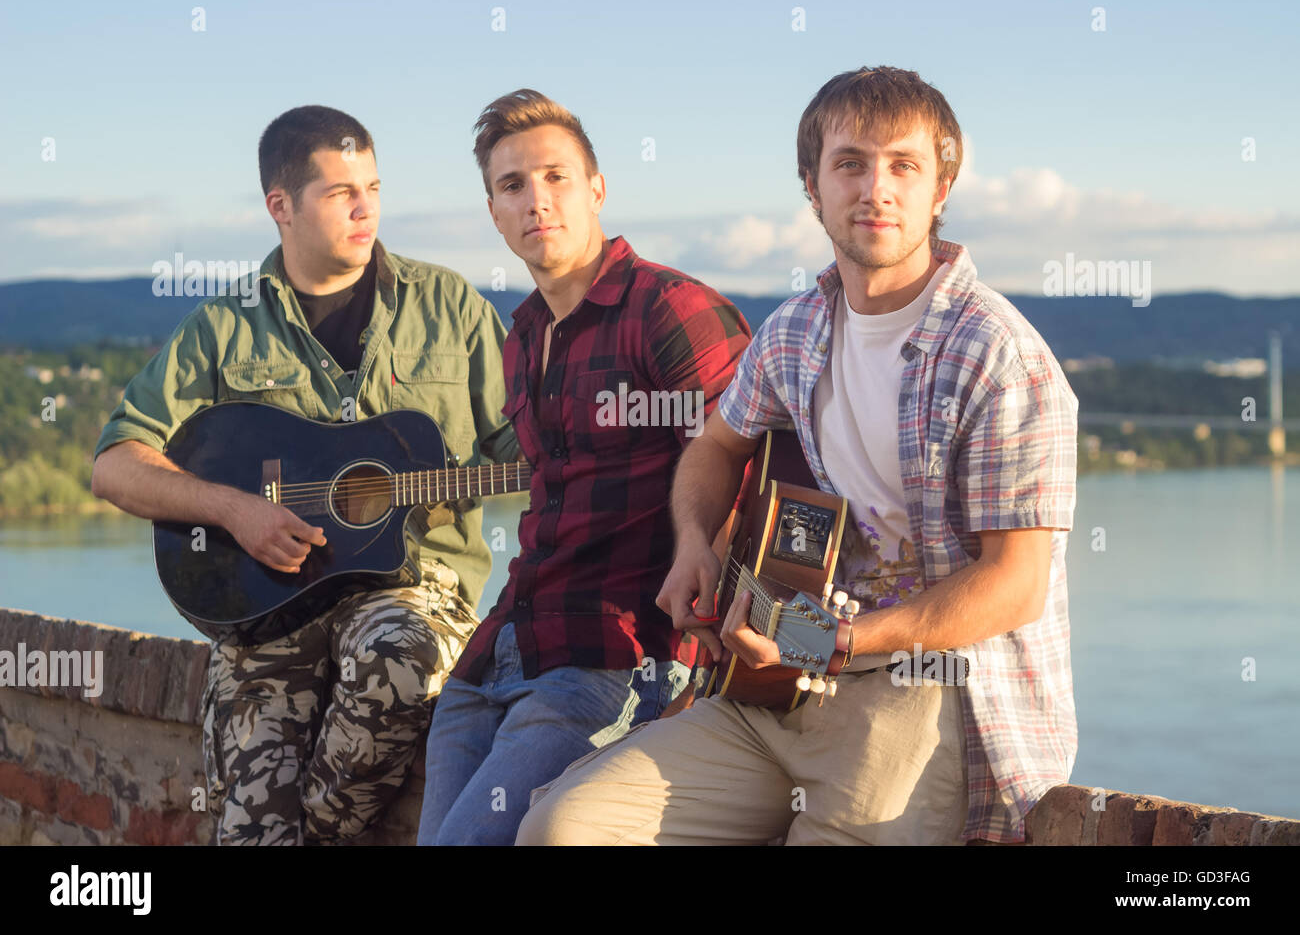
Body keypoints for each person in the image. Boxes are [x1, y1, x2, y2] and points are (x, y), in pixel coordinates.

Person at [517, 66, 1079, 846]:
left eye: (903, 166)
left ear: (941, 187)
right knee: (562, 828)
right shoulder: (796, 330)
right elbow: (716, 444)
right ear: (812, 187)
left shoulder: (997, 355)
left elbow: (1015, 586)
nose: (875, 189)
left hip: (924, 697)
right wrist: (693, 551)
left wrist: (840, 639)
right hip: (776, 685)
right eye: (850, 163)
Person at [91, 105, 518, 845]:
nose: (365, 208)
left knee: (399, 656)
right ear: (280, 206)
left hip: (411, 592)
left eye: (374, 187)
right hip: (267, 615)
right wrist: (233, 510)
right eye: (338, 192)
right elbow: (116, 465)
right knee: (250, 825)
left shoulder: (451, 308)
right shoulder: (223, 328)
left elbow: (534, 447)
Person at [417, 89, 751, 845]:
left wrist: (701, 667)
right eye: (512, 186)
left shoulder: (671, 309)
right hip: (491, 662)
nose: (537, 200)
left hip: (609, 662)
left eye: (556, 176)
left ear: (596, 188)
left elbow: (749, 473)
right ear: (494, 213)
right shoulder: (523, 333)